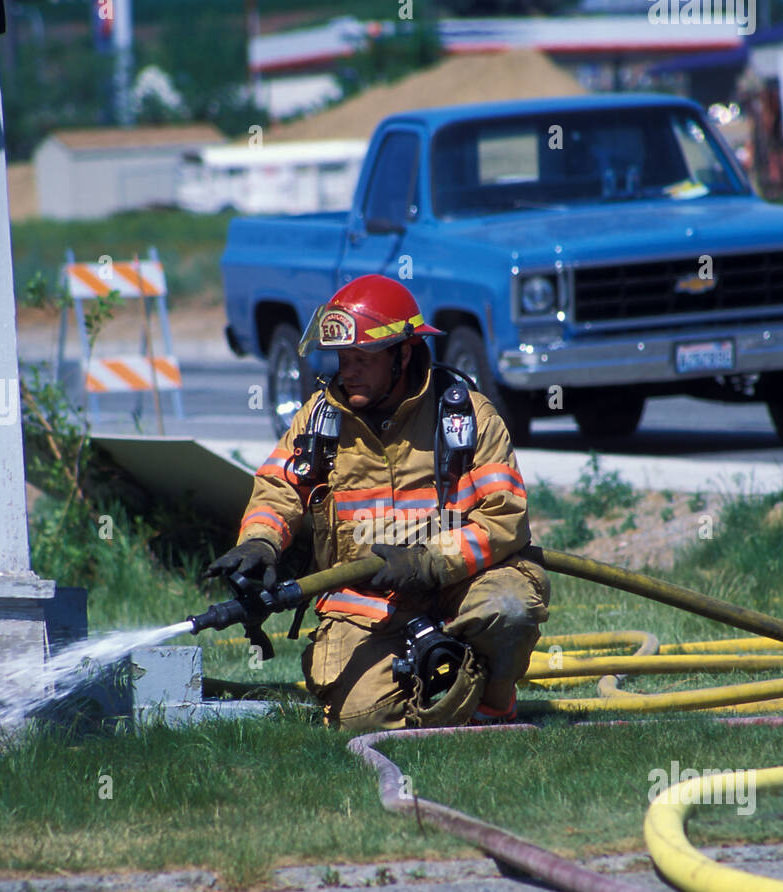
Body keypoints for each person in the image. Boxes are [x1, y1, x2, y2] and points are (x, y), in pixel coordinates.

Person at [204, 275, 550, 731]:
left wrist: (430, 562)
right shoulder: (320, 420)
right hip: (365, 605)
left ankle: (492, 704)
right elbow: (279, 487)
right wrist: (261, 542)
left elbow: (505, 517)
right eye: (342, 359)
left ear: (402, 354)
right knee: (362, 718)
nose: (348, 372)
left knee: (508, 607)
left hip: (459, 587)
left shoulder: (467, 417)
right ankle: (432, 689)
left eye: (362, 359)